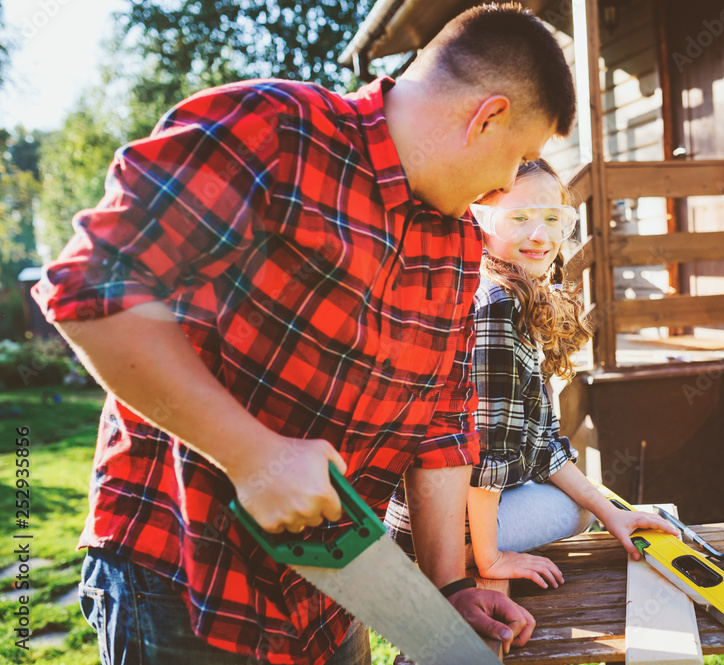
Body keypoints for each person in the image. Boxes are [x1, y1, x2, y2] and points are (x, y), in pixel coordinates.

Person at [31, 4, 575, 664]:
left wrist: (449, 586)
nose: (504, 185)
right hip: (184, 577)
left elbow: (442, 420)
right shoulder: (272, 131)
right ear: (484, 117)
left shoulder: (457, 240)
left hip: (330, 596)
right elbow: (93, 291)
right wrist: (251, 454)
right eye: (517, 157)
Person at [385, 160, 679, 589]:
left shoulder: (513, 294)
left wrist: (612, 514)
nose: (539, 236)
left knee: (588, 505)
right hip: (435, 528)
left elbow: (543, 445)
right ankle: (460, 556)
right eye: (518, 219)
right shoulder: (496, 305)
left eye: (552, 219)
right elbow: (486, 453)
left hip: (470, 504)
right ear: (482, 222)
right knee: (574, 511)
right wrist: (491, 559)